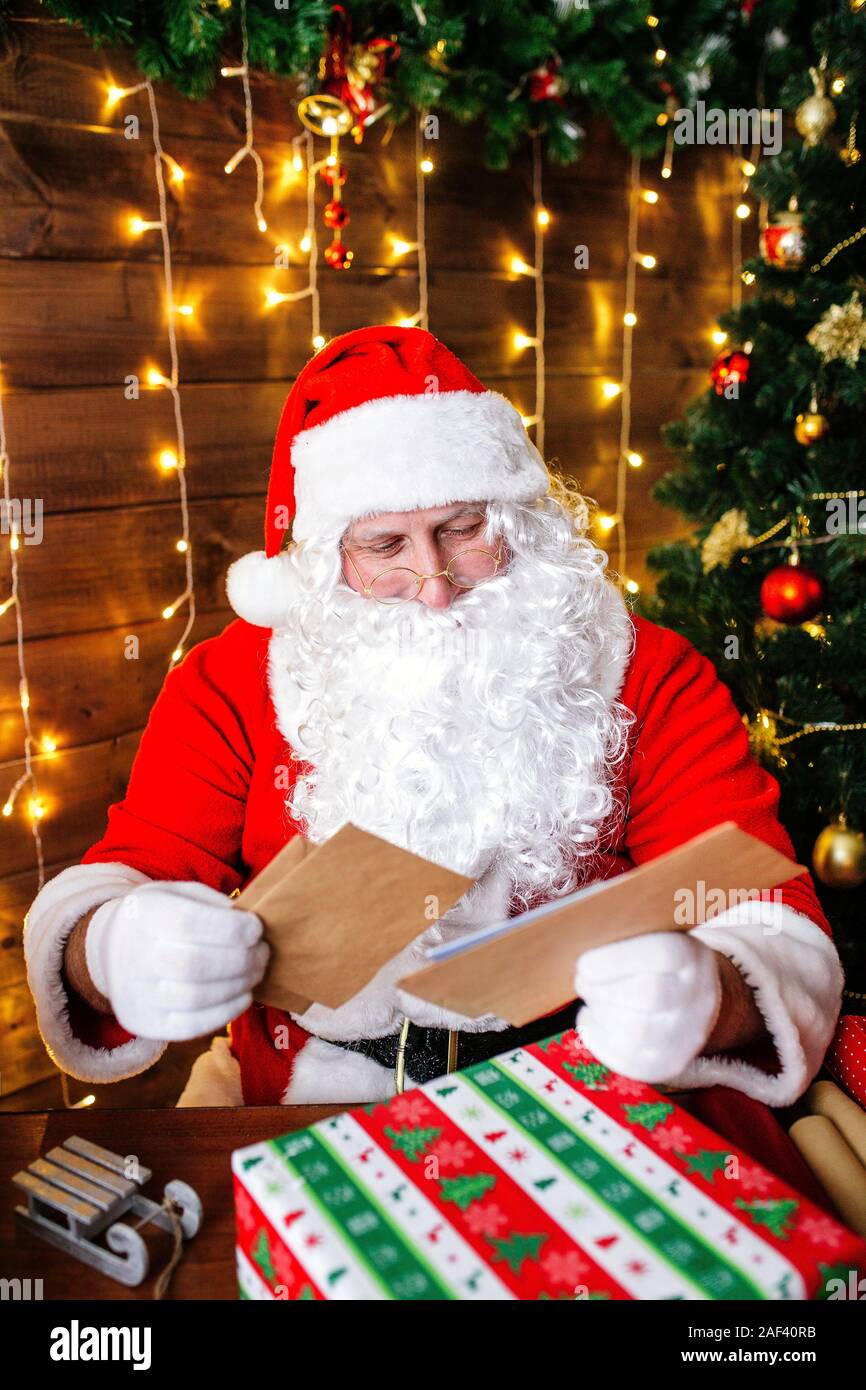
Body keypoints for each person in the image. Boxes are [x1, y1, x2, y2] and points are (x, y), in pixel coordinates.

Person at [24, 326, 841, 1126]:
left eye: (463, 529)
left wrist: (713, 996)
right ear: (323, 560)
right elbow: (123, 879)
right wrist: (112, 950)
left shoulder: (649, 670)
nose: (437, 584)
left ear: (515, 517)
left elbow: (764, 907)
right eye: (385, 544)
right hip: (300, 1098)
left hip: (586, 1097)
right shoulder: (230, 682)